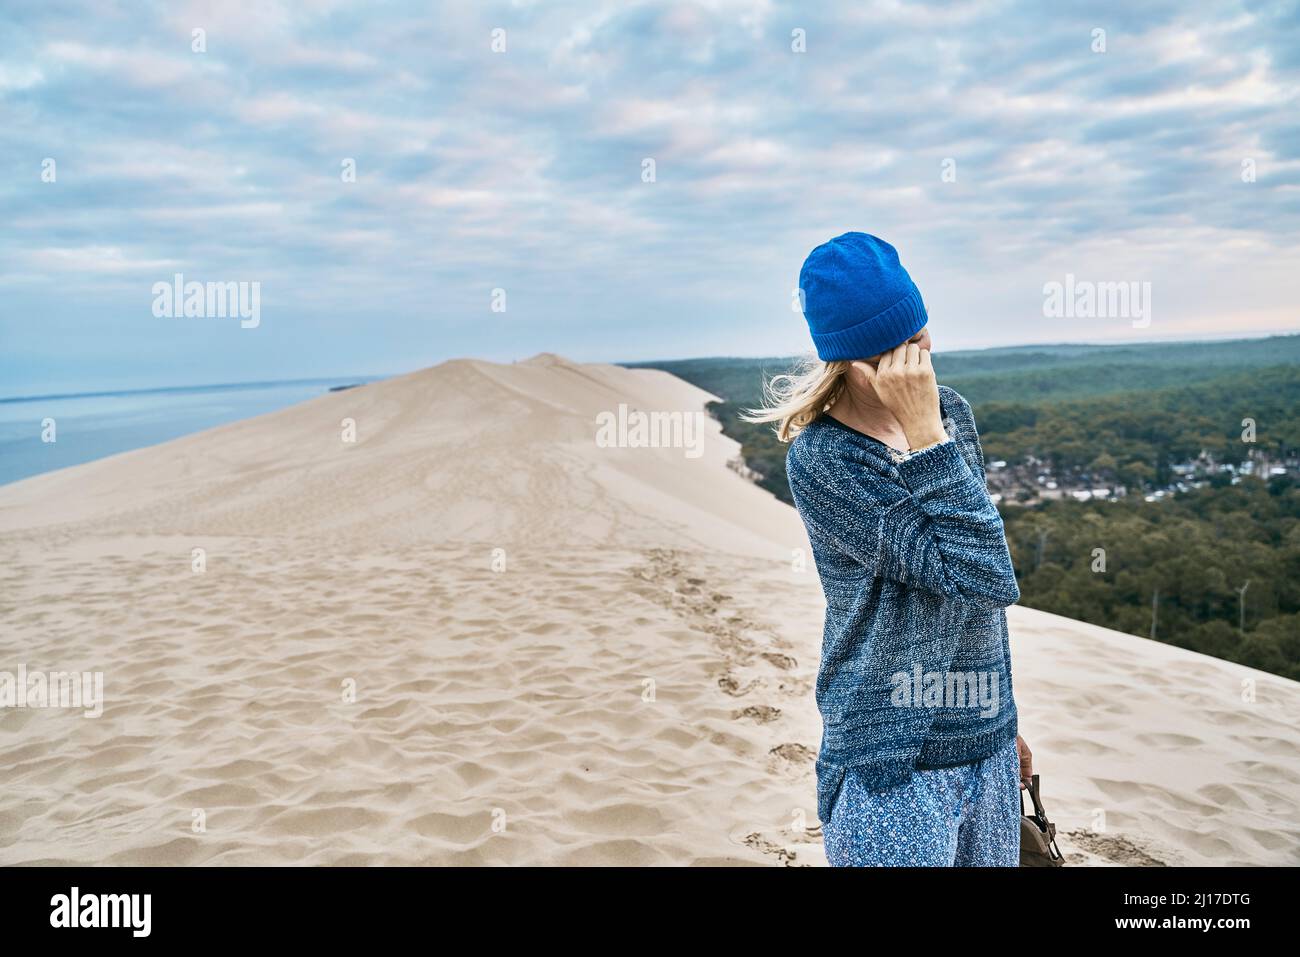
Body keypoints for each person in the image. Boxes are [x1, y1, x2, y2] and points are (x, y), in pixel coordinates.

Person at [745, 231, 1033, 866]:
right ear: (846, 362)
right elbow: (982, 574)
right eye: (892, 353)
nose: (915, 365)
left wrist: (1005, 721)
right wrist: (927, 437)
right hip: (890, 760)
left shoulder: (951, 411)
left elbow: (981, 608)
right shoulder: (827, 460)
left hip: (984, 742)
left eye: (919, 338)